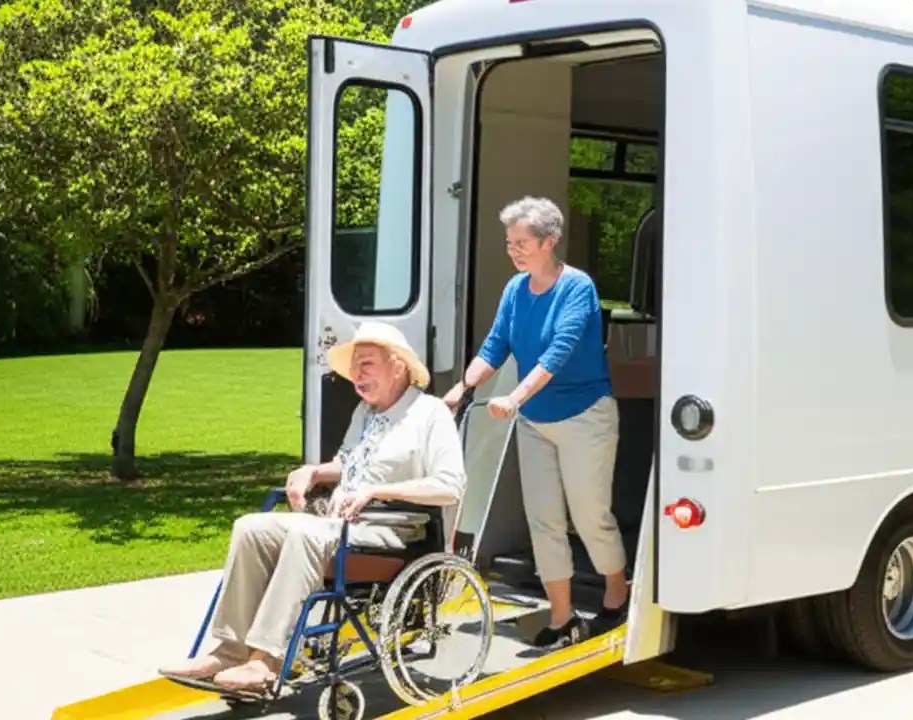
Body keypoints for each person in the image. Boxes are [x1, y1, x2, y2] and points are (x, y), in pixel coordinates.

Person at [159, 321, 466, 692]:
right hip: (341, 525)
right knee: (251, 527)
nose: (356, 373)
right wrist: (314, 472)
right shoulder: (365, 413)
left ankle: (267, 660)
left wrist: (377, 490)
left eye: (366, 363)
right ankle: (231, 649)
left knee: (305, 532)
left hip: (393, 533)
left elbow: (450, 486)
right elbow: (348, 464)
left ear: (398, 366)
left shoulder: (430, 413)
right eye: (354, 365)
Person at [443, 195, 627, 648]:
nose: (514, 250)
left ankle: (617, 598)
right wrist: (462, 388)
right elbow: (495, 345)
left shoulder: (577, 287)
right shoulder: (515, 289)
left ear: (550, 241)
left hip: (585, 417)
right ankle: (561, 618)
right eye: (510, 242)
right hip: (535, 421)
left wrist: (516, 394)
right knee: (543, 520)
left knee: (589, 517)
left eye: (521, 242)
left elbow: (557, 353)